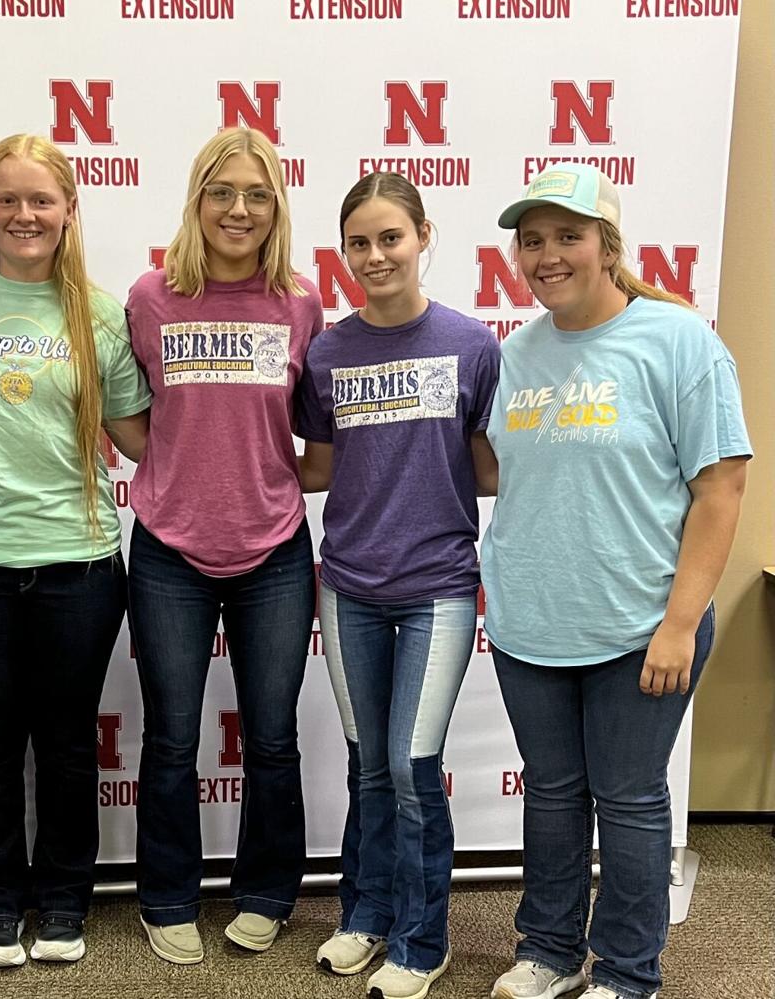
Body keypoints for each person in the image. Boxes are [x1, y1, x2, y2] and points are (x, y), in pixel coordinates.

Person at [483, 164, 750, 999]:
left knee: (631, 801)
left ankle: (630, 973)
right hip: (532, 622)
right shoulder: (516, 353)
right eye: (533, 240)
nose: (548, 254)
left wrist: (680, 621)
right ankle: (550, 951)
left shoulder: (677, 340)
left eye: (568, 235)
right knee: (553, 798)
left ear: (607, 243)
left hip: (643, 621)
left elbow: (722, 485)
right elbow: (503, 473)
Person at [0, 133, 150, 970]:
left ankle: (62, 903)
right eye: (7, 199)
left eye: (41, 200)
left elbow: (137, 434)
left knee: (65, 741)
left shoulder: (100, 310)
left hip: (77, 559)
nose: (24, 214)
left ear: (68, 210)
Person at [297, 172, 499, 999]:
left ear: (423, 237)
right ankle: (366, 914)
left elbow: (489, 468)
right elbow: (318, 465)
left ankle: (423, 938)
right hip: (346, 584)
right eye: (359, 242)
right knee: (367, 764)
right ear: (343, 252)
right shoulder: (327, 352)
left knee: (413, 764)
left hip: (438, 588)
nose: (375, 255)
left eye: (391, 237)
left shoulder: (474, 344)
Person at [125, 127, 324, 965]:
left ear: (275, 205)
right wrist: (179, 472)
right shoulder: (150, 296)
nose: (238, 209)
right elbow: (133, 422)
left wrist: (267, 477)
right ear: (196, 200)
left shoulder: (301, 303)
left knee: (272, 732)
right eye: (221, 191)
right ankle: (167, 895)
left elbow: (317, 437)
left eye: (256, 194)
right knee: (172, 733)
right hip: (169, 547)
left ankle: (268, 891)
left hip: (275, 546)